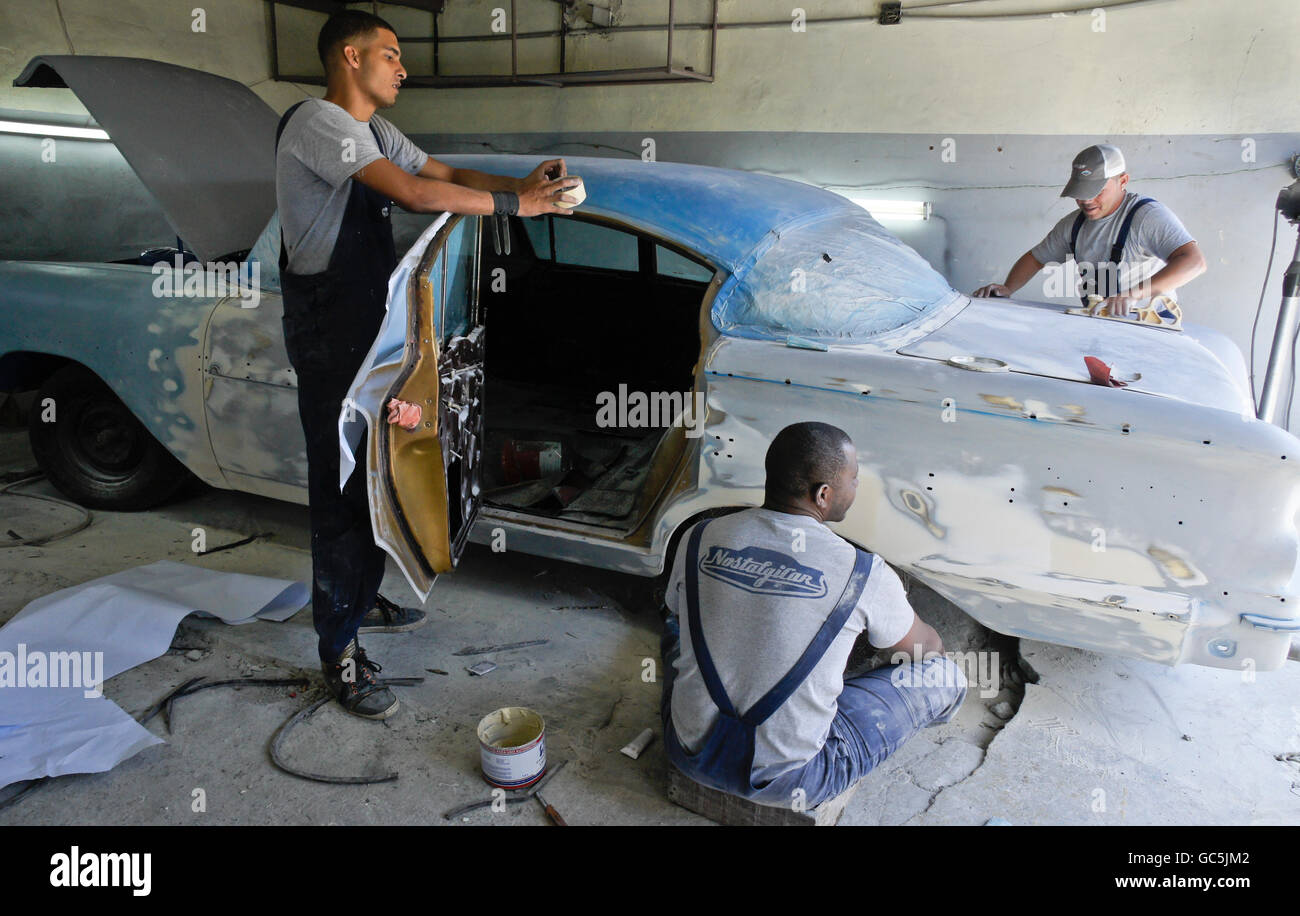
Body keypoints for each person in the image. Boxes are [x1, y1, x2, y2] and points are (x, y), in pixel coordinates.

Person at [275, 10, 580, 719]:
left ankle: (358, 596)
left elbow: (439, 171)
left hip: (370, 333)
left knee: (379, 475)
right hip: (328, 337)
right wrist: (518, 206)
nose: (402, 67)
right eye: (390, 55)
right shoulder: (318, 124)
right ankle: (338, 650)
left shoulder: (376, 132)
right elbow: (415, 195)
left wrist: (519, 181)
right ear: (349, 57)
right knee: (341, 488)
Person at [660, 421, 967, 808]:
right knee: (945, 675)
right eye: (853, 479)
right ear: (823, 494)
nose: (856, 487)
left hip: (688, 753)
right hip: (795, 780)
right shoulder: (863, 571)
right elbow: (924, 649)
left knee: (676, 625)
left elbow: (675, 610)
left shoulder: (699, 536)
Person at [974, 144, 1206, 320]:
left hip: (1150, 322)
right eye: (1081, 193)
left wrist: (1133, 294)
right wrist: (1008, 288)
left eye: (1097, 192)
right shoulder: (1073, 225)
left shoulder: (1147, 217)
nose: (1086, 201)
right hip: (1102, 320)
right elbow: (1036, 258)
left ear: (1123, 181)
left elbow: (1194, 262)